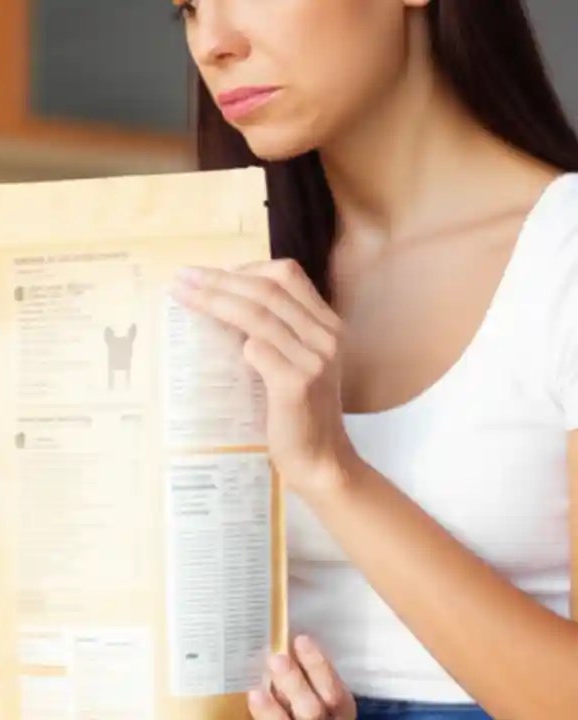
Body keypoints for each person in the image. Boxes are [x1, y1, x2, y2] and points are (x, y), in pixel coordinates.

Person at [169, 1, 578, 719]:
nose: (214, 44)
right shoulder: (236, 278)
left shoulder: (562, 258)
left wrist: (332, 472)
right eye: (187, 10)